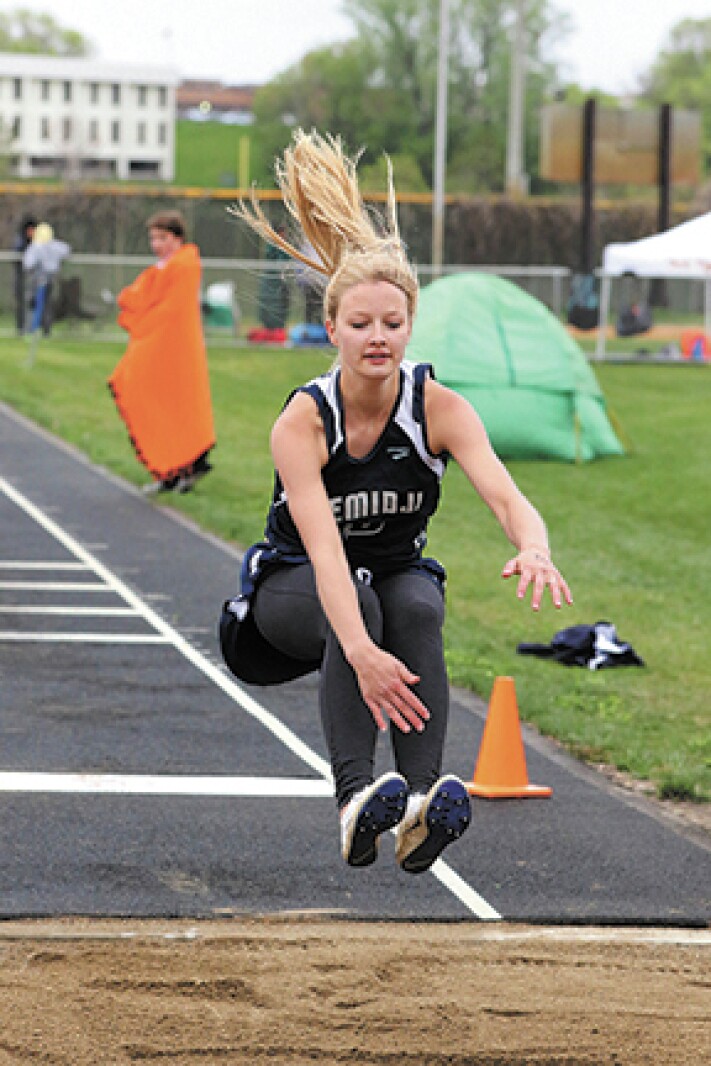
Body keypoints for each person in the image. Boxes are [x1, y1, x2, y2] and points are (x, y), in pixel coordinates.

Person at [220, 130, 573, 875]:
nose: (376, 338)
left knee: (415, 605)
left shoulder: (436, 406)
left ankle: (417, 805)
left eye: (391, 324)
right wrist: (359, 653)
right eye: (359, 324)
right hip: (288, 598)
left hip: (386, 576)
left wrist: (532, 545)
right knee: (364, 599)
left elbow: (508, 497)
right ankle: (354, 799)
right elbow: (322, 551)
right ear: (332, 328)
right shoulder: (304, 421)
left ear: (410, 326)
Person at [108, 210, 216, 495]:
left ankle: (188, 464)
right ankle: (168, 467)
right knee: (157, 401)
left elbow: (170, 308)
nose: (157, 244)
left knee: (180, 404)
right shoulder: (164, 267)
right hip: (163, 347)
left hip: (176, 348)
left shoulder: (183, 265)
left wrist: (144, 324)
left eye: (163, 237)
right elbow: (139, 296)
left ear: (177, 238)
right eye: (153, 238)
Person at [22, 221, 71, 350]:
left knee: (37, 305)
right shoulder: (55, 246)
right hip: (50, 280)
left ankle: (34, 330)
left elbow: (28, 263)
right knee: (46, 305)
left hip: (39, 281)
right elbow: (66, 250)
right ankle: (46, 330)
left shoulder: (36, 247)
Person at [13, 214, 36, 335]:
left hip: (34, 278)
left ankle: (33, 328)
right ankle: (21, 329)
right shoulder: (20, 241)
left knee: (33, 303)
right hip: (21, 278)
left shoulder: (37, 243)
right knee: (21, 303)